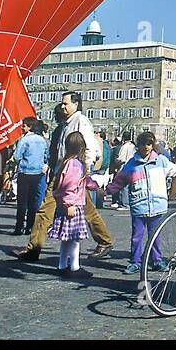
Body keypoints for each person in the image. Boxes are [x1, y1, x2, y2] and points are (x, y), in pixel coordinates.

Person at [17, 94, 114, 261]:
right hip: (62, 172)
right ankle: (34, 248)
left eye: (65, 103)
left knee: (71, 209)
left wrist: (84, 170)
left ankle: (104, 240)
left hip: (73, 173)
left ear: (76, 104)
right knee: (49, 210)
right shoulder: (65, 124)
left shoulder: (80, 122)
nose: (62, 107)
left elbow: (90, 147)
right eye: (62, 104)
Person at [100, 131, 176, 275]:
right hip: (139, 206)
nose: (146, 147)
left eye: (149, 144)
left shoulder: (161, 161)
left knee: (155, 236)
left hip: (157, 206)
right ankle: (135, 262)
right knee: (137, 236)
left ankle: (156, 260)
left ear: (153, 145)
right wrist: (107, 191)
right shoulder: (131, 164)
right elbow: (119, 181)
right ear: (138, 146)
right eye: (143, 144)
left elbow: (174, 169)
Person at [48, 131, 98, 275]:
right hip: (72, 206)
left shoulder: (66, 163)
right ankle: (75, 267)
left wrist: (95, 186)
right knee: (74, 239)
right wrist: (70, 204)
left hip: (65, 204)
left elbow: (78, 182)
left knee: (66, 240)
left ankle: (62, 265)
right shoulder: (76, 164)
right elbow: (70, 186)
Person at [12, 118, 47, 235]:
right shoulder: (42, 140)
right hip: (37, 173)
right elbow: (46, 156)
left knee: (22, 202)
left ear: (30, 127)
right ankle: (30, 227)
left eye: (24, 126)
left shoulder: (24, 140)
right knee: (33, 201)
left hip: (25, 172)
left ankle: (19, 227)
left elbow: (17, 156)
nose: (22, 128)